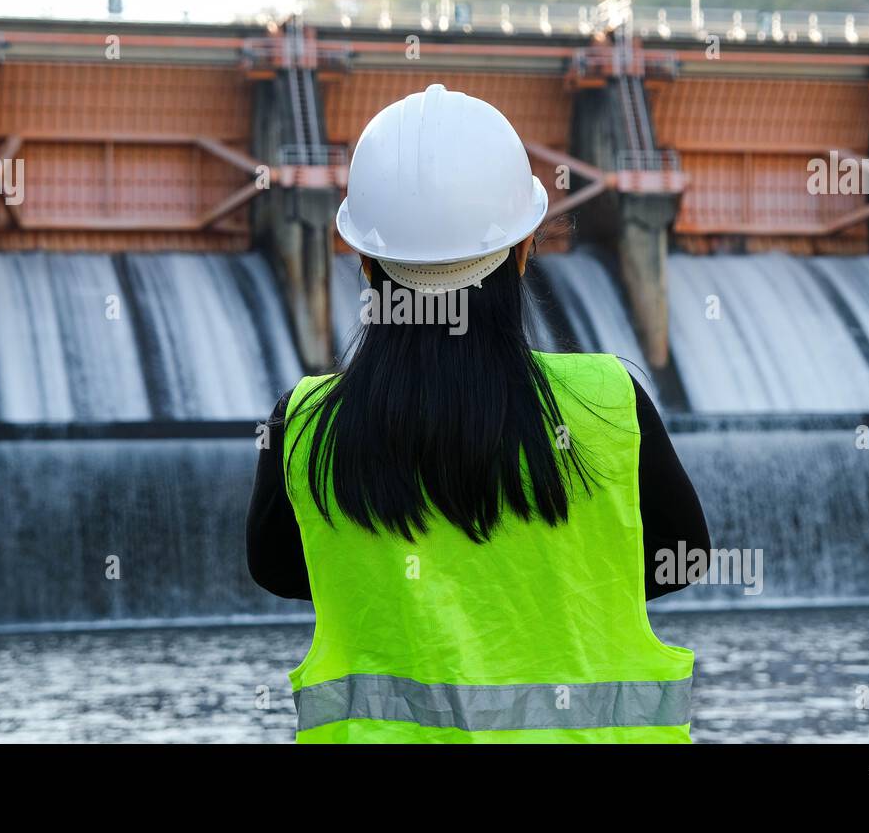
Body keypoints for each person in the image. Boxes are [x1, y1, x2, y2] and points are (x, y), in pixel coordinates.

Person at [246, 84, 710, 743]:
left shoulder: (305, 427)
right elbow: (683, 557)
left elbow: (282, 569)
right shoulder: (610, 402)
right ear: (522, 252)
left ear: (365, 262)